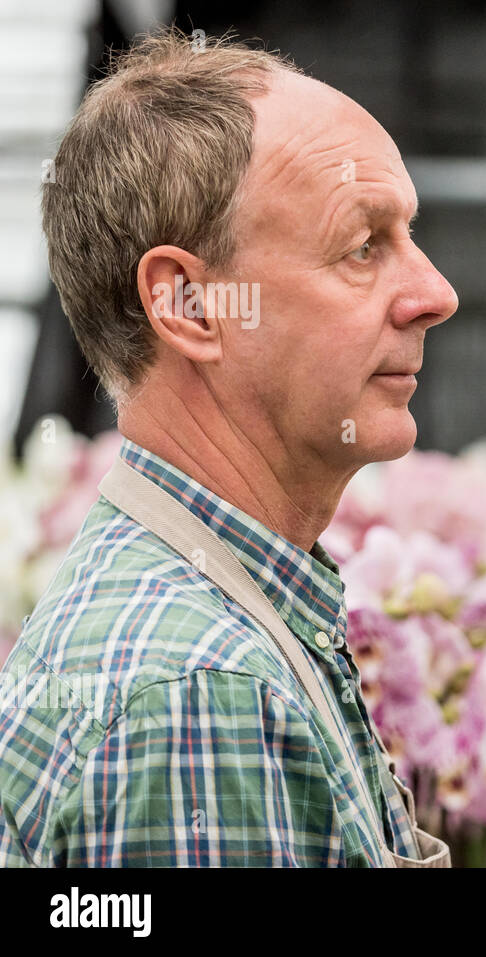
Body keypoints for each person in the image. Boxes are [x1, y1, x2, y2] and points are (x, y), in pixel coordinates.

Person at [0, 27, 458, 866]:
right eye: (363, 246)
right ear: (190, 305)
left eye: (410, 237)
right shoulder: (200, 698)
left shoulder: (207, 612)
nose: (436, 292)